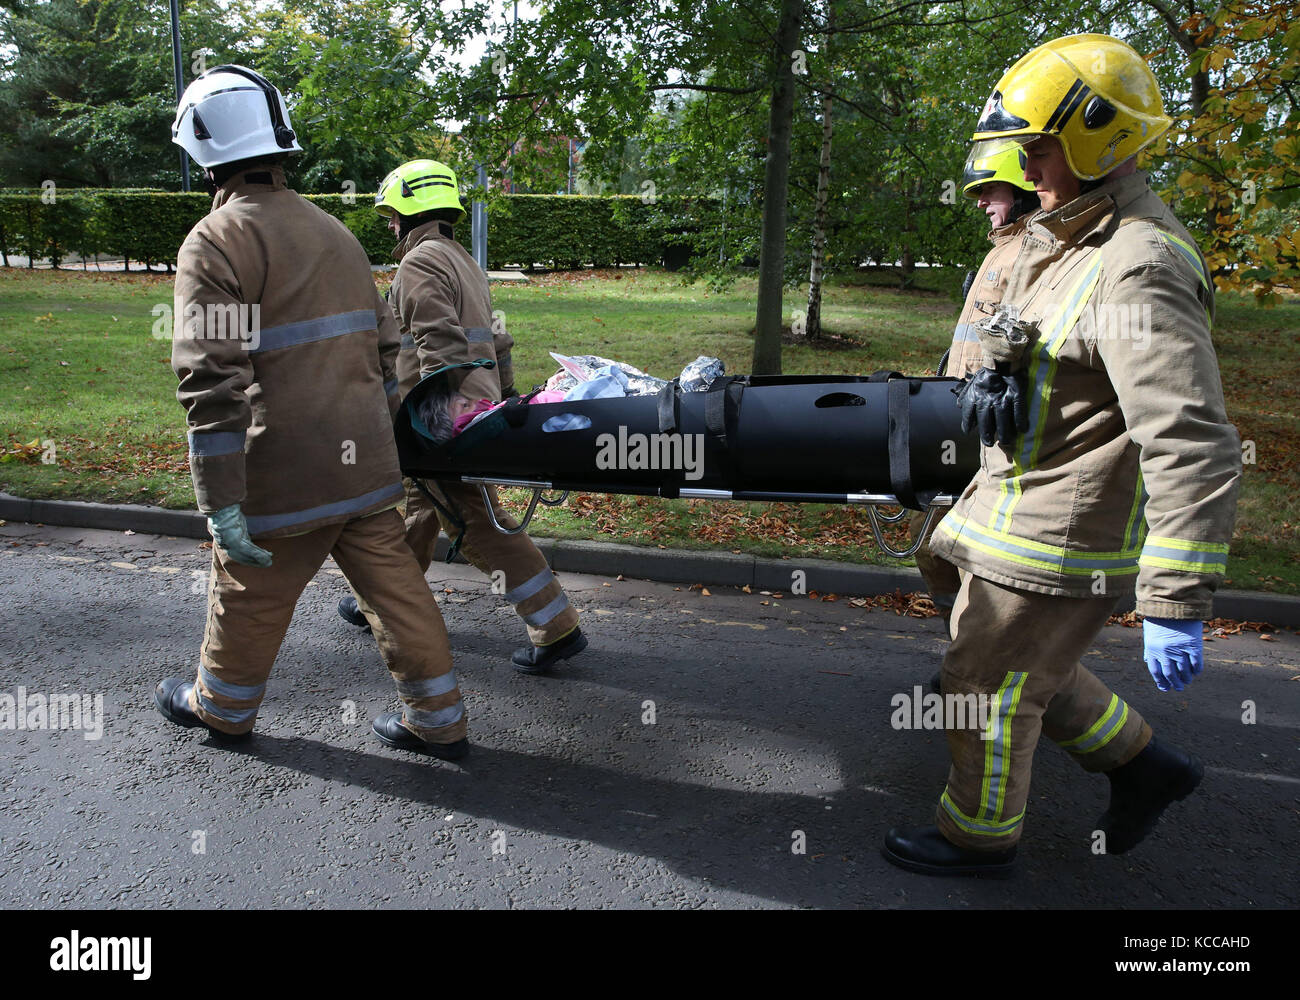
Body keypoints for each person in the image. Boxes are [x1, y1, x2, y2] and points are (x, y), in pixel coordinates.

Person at [884, 34, 1242, 876]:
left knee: (984, 685)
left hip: (1058, 531)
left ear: (1097, 142)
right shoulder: (1070, 241)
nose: (1026, 165)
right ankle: (1148, 768)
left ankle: (977, 839)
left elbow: (1188, 435)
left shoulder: (1138, 265)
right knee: (1023, 666)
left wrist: (1178, 596)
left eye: (1038, 148)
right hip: (1010, 503)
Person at [153, 66, 470, 759]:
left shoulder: (216, 240)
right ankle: (440, 721)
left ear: (205, 152)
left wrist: (222, 503)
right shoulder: (336, 232)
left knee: (251, 593)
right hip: (365, 467)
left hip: (286, 470)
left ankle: (223, 710)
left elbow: (212, 380)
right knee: (399, 592)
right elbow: (387, 352)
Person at [338, 159, 587, 674]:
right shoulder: (462, 259)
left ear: (412, 208)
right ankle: (379, 603)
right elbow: (496, 340)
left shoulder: (419, 263)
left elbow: (440, 343)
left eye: (392, 215)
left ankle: (556, 625)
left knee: (475, 524)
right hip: (468, 411)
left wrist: (434, 423)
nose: (389, 225)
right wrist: (507, 398)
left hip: (441, 418)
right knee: (420, 508)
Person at [915, 139, 1041, 637]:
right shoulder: (1005, 250)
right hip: (961, 417)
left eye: (992, 192)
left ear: (1026, 188)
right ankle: (966, 642)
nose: (983, 203)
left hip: (992, 432)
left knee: (954, 543)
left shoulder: (1034, 253)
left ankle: (978, 651)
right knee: (929, 536)